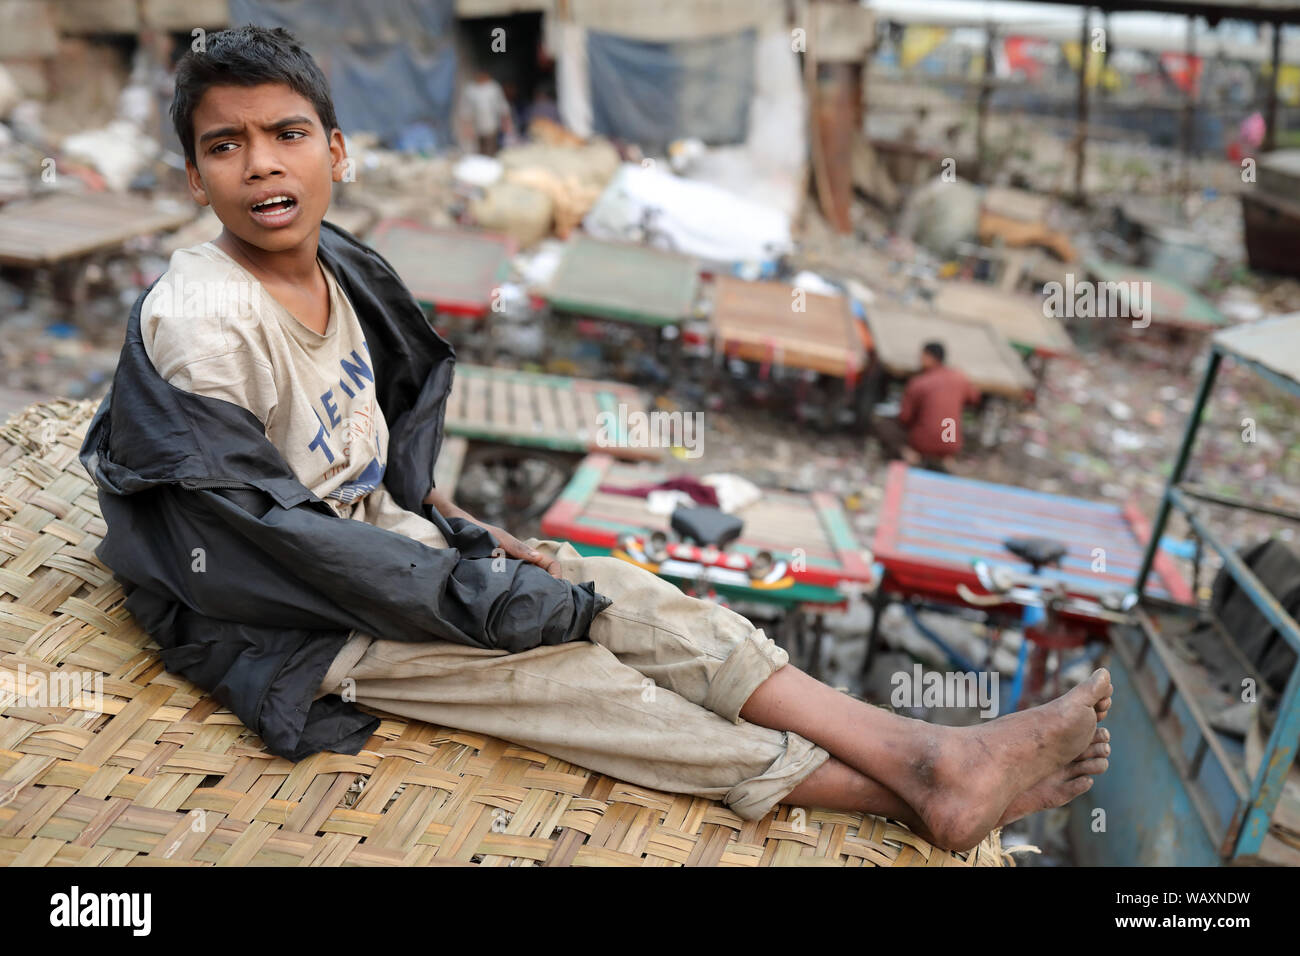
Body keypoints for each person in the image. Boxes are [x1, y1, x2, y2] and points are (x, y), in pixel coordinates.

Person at [98, 25, 1113, 854]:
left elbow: (366, 468)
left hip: (374, 551)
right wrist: (470, 596)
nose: (262, 163)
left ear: (337, 151)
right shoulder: (206, 319)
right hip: (287, 615)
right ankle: (909, 792)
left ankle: (925, 750)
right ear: (193, 175)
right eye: (225, 144)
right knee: (577, 683)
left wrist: (473, 534)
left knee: (637, 596)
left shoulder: (342, 265)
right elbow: (246, 545)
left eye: (286, 132)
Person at [872, 340, 981, 472]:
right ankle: (946, 458)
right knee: (949, 424)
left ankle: (910, 455)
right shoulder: (959, 378)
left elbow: (904, 417)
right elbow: (974, 398)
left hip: (924, 444)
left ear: (928, 357)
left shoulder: (919, 382)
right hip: (950, 442)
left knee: (883, 423)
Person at [458, 68, 513, 157]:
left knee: (491, 149)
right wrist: (466, 127)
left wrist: (506, 122)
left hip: (492, 125)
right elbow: (466, 110)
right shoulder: (470, 90)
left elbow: (502, 106)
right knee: (479, 151)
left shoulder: (493, 87)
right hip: (477, 126)